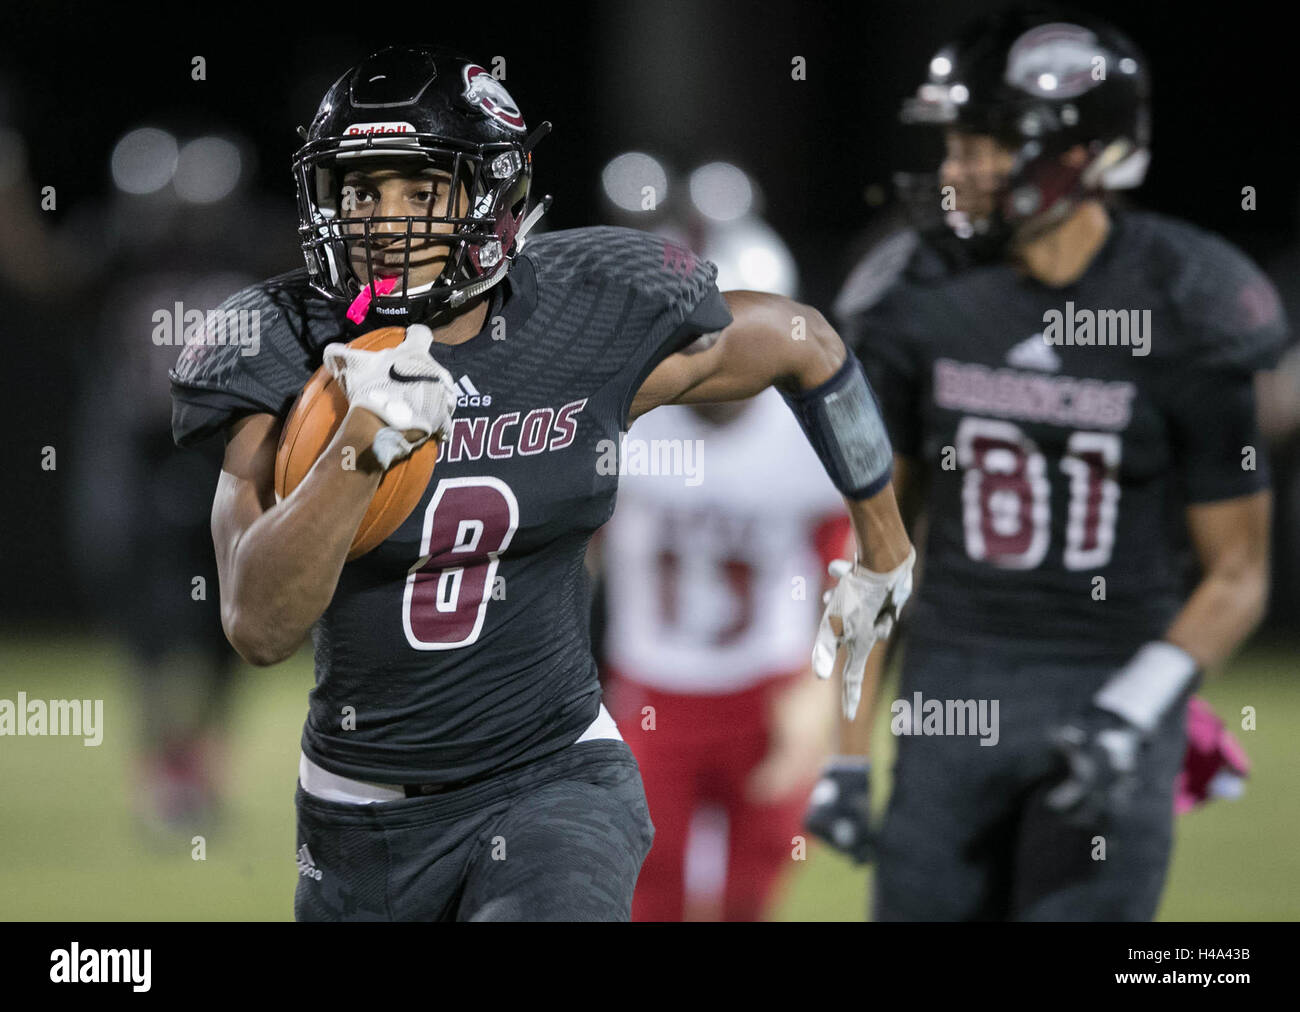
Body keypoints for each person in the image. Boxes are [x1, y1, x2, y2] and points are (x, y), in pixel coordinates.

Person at [169, 44, 913, 921]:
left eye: (421, 190)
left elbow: (804, 342)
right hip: (359, 812)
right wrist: (359, 449)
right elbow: (260, 626)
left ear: (495, 197)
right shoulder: (284, 344)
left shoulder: (583, 314)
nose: (381, 220)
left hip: (555, 773)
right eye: (361, 190)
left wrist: (885, 546)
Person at [805, 7, 1286, 920]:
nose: (955, 169)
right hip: (951, 693)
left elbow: (1240, 571)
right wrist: (847, 754)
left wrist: (1133, 712)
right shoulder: (920, 292)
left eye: (983, 144)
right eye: (953, 142)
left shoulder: (1186, 302)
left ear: (1079, 154)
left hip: (1111, 688)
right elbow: (876, 549)